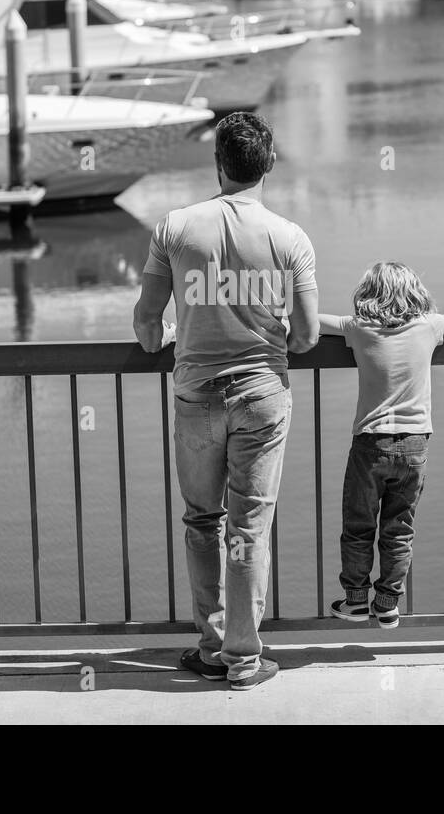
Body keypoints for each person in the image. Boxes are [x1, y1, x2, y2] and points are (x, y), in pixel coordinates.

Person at [133, 112, 318, 690]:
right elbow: (308, 336)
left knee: (201, 520)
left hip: (195, 396)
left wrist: (165, 337)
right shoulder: (289, 238)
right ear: (267, 166)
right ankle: (244, 657)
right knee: (248, 527)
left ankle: (212, 648)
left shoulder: (175, 229)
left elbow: (145, 325)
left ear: (218, 164)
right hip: (262, 396)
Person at [318, 262, 444, 629]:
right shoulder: (428, 326)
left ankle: (356, 600)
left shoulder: (357, 328)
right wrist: (430, 317)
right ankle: (387, 603)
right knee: (399, 528)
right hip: (415, 445)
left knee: (358, 526)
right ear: (415, 293)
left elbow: (308, 322)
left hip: (370, 444)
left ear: (367, 295)